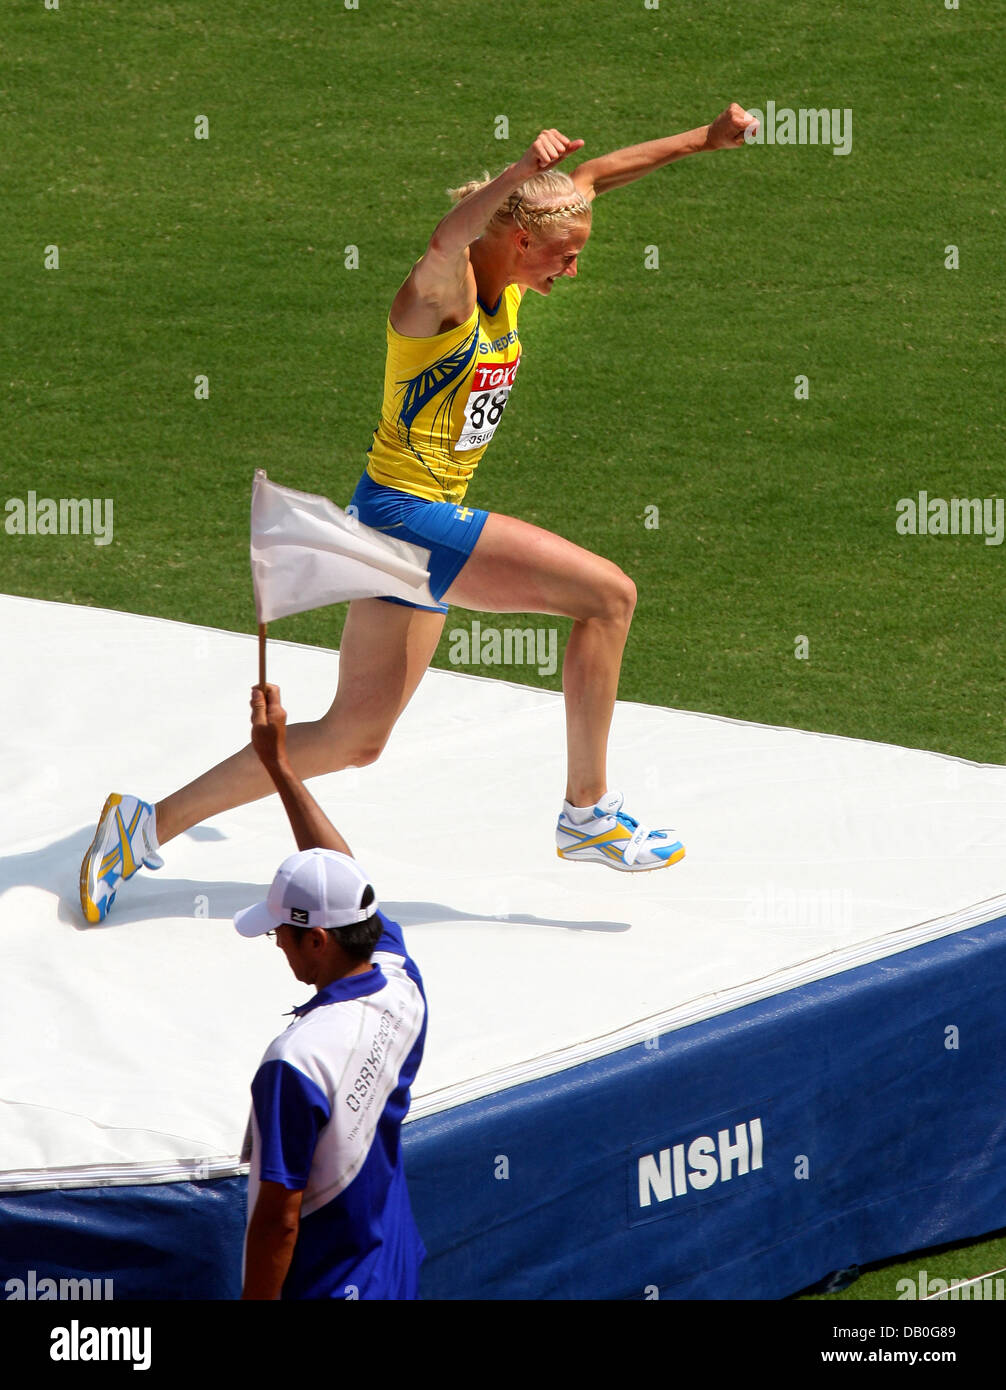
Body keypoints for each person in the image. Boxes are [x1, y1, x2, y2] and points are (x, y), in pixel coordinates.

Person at [79, 104, 757, 923]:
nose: (571, 271)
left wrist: (701, 141)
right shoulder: (441, 296)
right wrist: (513, 172)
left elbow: (592, 178)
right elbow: (447, 237)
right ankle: (587, 812)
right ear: (516, 238)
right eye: (564, 257)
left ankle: (142, 824)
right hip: (407, 517)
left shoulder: (518, 257)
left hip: (397, 529)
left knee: (352, 739)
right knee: (609, 596)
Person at [236, 683, 427, 1300]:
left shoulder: (295, 1062)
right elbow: (345, 877)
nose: (276, 944)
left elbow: (280, 1219)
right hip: (392, 1265)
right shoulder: (403, 985)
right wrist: (278, 765)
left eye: (283, 935)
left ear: (317, 940)